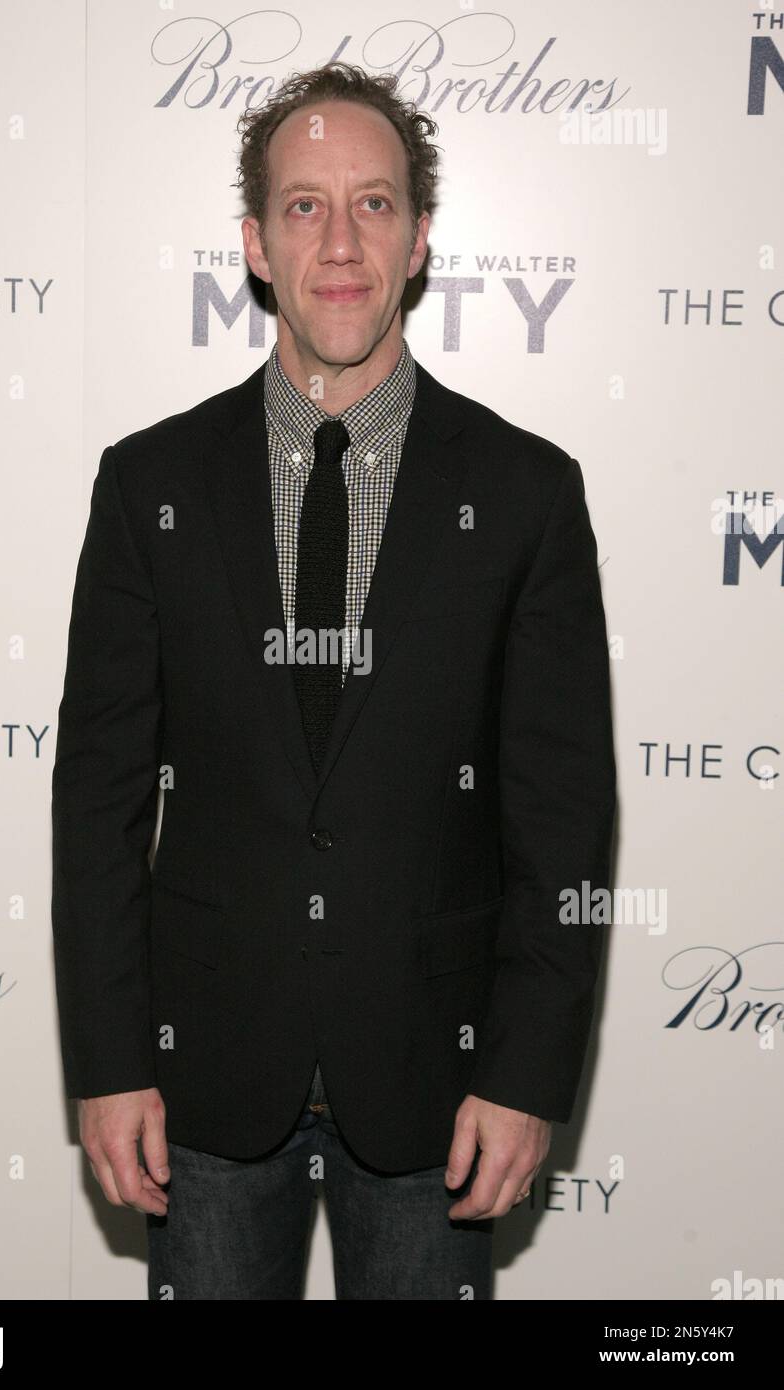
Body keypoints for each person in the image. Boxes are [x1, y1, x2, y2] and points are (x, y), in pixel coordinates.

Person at [50, 62, 616, 1300]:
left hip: (439, 1085)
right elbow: (95, 797)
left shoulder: (525, 494)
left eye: (373, 203)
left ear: (418, 241)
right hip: (197, 1077)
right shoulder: (149, 485)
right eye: (304, 206)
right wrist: (104, 1059)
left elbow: (563, 821)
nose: (342, 240)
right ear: (254, 245)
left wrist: (523, 1072)